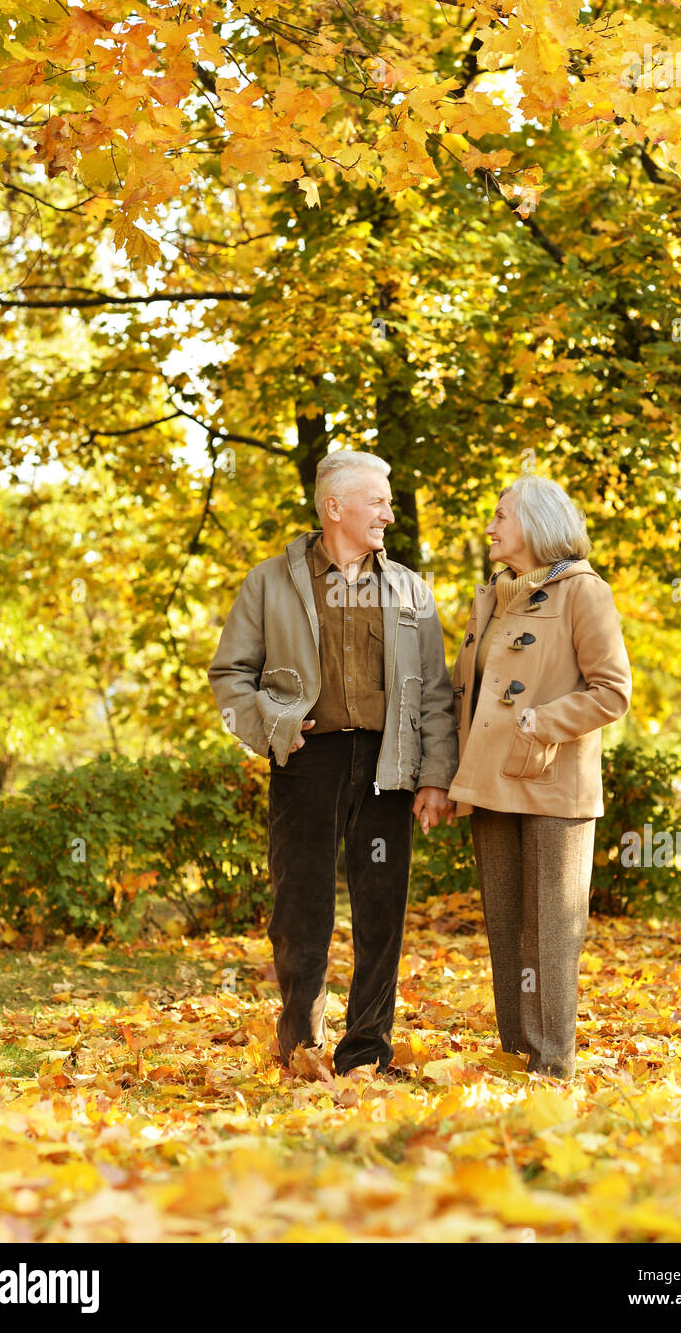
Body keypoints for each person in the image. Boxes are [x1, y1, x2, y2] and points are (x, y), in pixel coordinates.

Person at [207, 450, 458, 1077]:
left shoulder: (409, 588)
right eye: (378, 501)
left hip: (388, 763)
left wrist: (435, 776)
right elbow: (230, 676)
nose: (389, 514)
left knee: (382, 909)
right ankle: (301, 1046)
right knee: (300, 909)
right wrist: (273, 728)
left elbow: (433, 691)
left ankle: (367, 1050)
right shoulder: (269, 583)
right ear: (335, 507)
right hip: (305, 758)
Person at [448, 471, 633, 1080]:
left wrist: (540, 722)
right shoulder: (493, 596)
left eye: (502, 515)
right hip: (491, 780)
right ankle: (516, 1052)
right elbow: (465, 694)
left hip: (554, 782)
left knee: (550, 929)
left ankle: (553, 1066)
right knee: (505, 924)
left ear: (536, 524)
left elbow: (612, 692)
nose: (491, 526)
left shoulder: (585, 592)